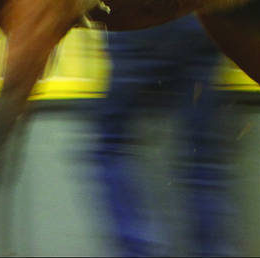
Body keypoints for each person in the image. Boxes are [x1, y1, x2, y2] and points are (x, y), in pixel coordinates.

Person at [90, 15, 235, 258]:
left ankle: (137, 251)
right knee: (203, 158)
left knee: (111, 146)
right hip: (201, 23)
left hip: (141, 24)